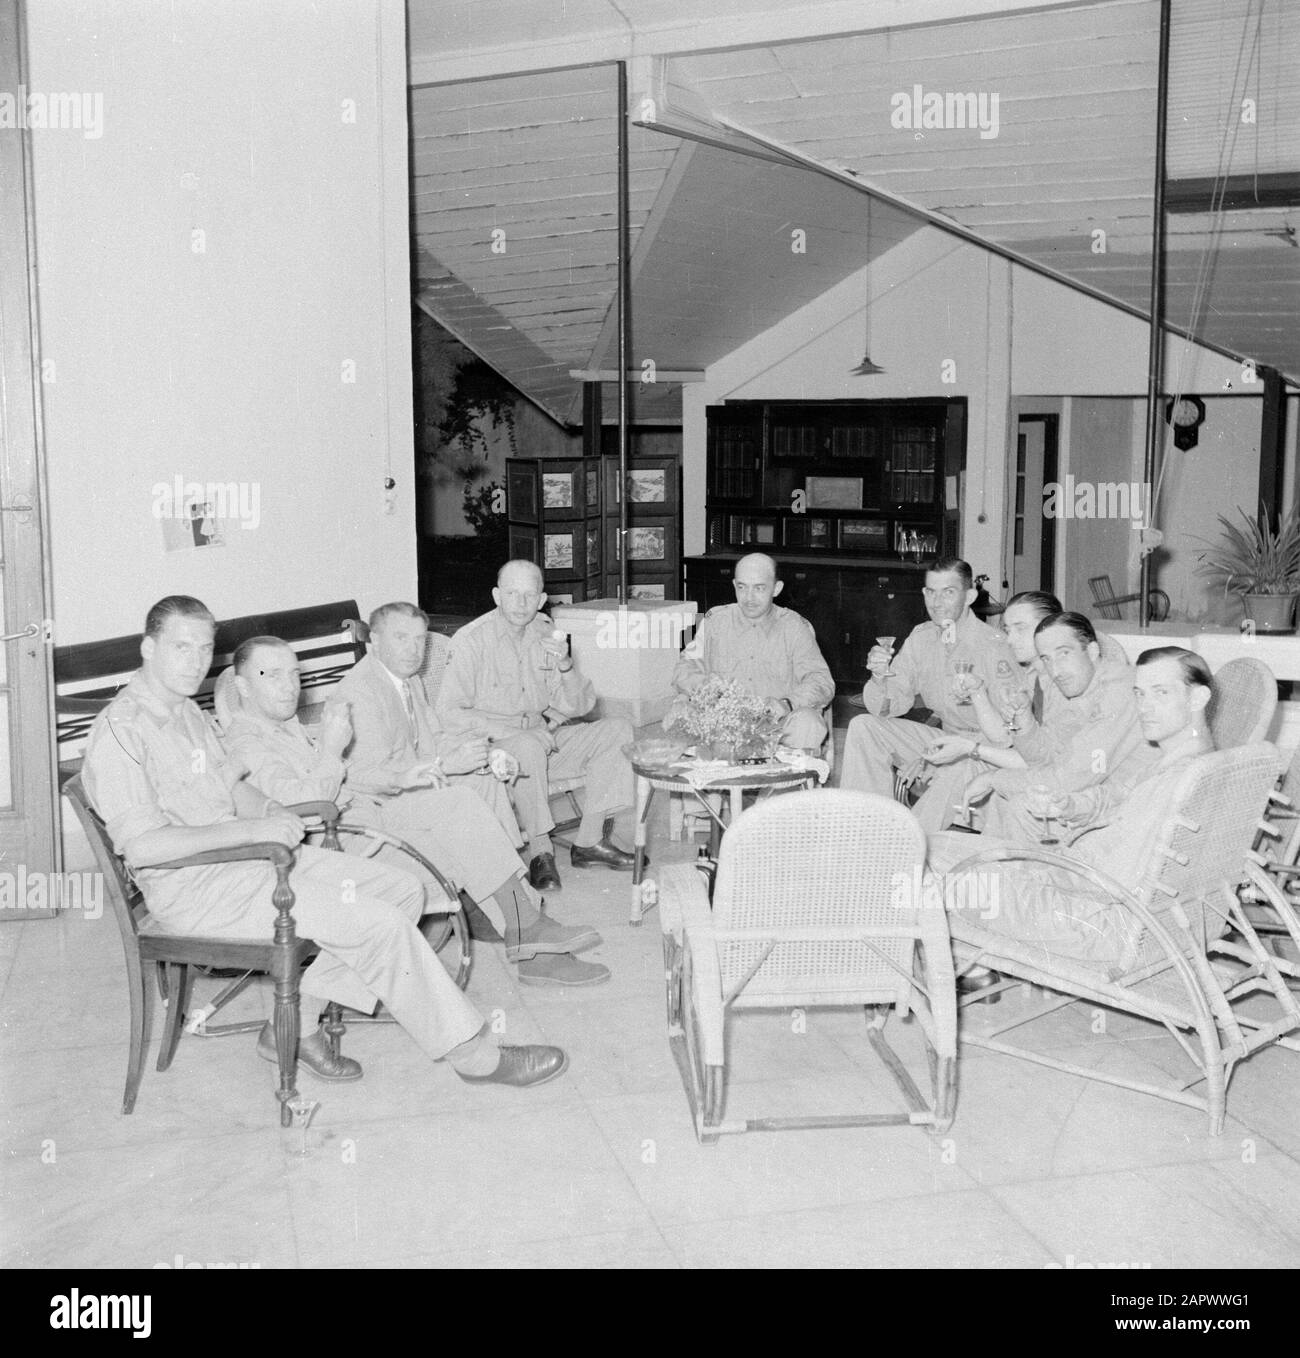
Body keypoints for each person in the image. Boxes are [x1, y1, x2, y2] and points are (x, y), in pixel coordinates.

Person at [82, 595, 566, 1089]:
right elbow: (142, 847)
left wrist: (270, 812)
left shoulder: (186, 713)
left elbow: (232, 787)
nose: (196, 661)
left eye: (204, 649)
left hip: (253, 863)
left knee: (404, 891)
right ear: (147, 647)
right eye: (181, 647)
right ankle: (475, 1054)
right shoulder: (122, 732)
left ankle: (288, 1027)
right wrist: (255, 830)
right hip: (198, 887)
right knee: (377, 925)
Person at [218, 634, 609, 989]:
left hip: (364, 818)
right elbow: (299, 809)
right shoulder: (247, 741)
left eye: (293, 674)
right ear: (243, 686)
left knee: (460, 803)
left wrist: (404, 776)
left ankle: (526, 932)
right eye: (271, 675)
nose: (289, 686)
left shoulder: (284, 726)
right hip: (337, 849)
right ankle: (529, 938)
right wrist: (333, 751)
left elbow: (348, 778)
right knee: (466, 836)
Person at [928, 647, 1216, 967]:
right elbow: (1118, 795)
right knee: (943, 846)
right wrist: (1069, 805)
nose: (1144, 707)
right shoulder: (1192, 763)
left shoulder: (1175, 783)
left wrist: (1037, 868)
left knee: (925, 858)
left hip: (1096, 925)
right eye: (1139, 693)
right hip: (1114, 904)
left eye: (1160, 693)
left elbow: (1106, 880)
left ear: (1198, 698)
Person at [438, 560, 635, 891]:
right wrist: (518, 733)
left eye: (529, 595)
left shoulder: (546, 633)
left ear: (542, 600)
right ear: (496, 596)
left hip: (542, 740)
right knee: (528, 745)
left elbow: (582, 705)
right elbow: (450, 713)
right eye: (512, 594)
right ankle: (539, 853)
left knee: (618, 729)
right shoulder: (471, 641)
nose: (520, 603)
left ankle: (588, 842)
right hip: (495, 751)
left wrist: (566, 663)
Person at [839, 557, 1018, 831]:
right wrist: (878, 676)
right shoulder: (920, 638)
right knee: (864, 727)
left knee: (955, 769)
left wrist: (931, 757)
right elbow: (889, 708)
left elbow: (1010, 732)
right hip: (944, 737)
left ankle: (908, 846)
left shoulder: (995, 646)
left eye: (948, 592)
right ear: (923, 593)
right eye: (931, 592)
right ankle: (864, 829)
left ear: (970, 596)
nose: (937, 602)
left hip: (986, 750)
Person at [957, 611, 1142, 842]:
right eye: (1046, 658)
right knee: (1008, 800)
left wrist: (993, 778)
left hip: (1125, 817)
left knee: (1020, 806)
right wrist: (1024, 720)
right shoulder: (1084, 687)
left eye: (1063, 653)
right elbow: (1046, 756)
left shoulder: (1118, 691)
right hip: (1094, 800)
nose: (1055, 670)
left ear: (1092, 651)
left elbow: (1069, 779)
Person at [670, 552, 835, 751]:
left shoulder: (794, 627)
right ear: (734, 585)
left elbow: (821, 680)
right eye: (742, 587)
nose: (749, 598)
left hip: (776, 724)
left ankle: (781, 779)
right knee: (677, 716)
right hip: (721, 722)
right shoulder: (714, 620)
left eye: (759, 588)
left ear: (776, 588)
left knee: (809, 725)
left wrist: (787, 704)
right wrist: (706, 688)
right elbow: (683, 668)